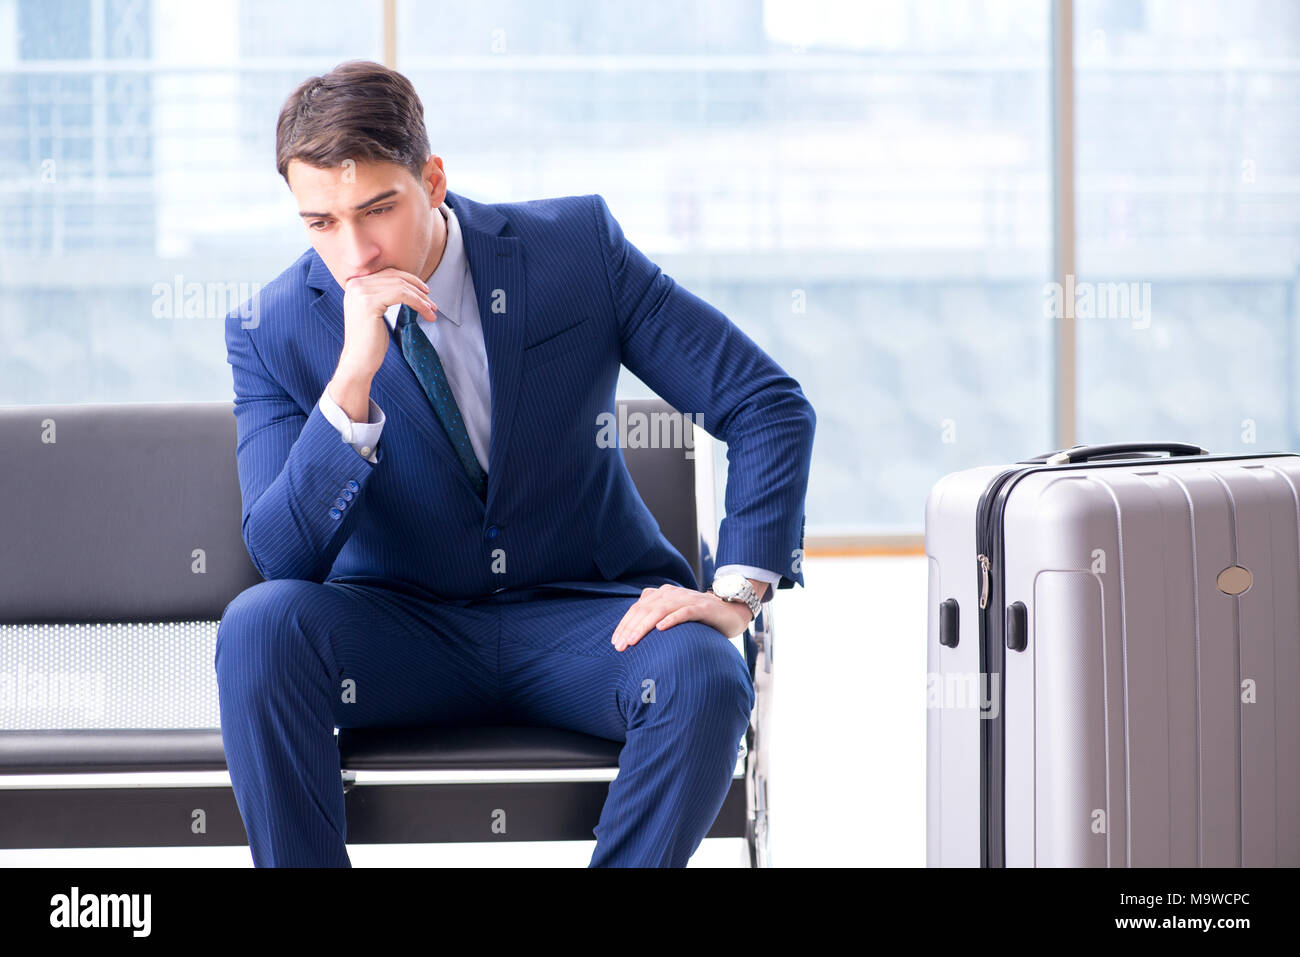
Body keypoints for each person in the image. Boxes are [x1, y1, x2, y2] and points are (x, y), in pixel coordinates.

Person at [215, 59, 815, 867]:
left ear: (433, 180)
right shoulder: (272, 327)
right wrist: (352, 381)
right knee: (260, 628)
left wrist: (735, 595)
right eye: (320, 222)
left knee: (703, 670)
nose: (354, 252)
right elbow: (283, 557)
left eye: (378, 209)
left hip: (582, 621)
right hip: (399, 632)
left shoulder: (575, 250)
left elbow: (764, 402)